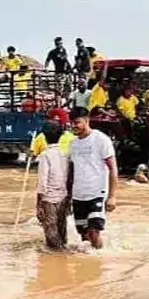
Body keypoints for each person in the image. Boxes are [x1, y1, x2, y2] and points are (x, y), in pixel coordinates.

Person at [67, 106, 117, 249]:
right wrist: (68, 193)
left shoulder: (101, 139)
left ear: (87, 121)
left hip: (97, 192)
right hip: (78, 194)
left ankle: (100, 261)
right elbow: (71, 170)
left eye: (77, 122)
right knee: (84, 236)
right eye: (72, 123)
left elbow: (113, 168)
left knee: (94, 232)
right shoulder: (73, 144)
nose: (73, 126)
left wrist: (112, 196)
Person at [35, 118, 72, 250]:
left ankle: (60, 258)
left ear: (44, 137)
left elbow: (42, 182)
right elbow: (69, 178)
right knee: (62, 232)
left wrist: (38, 204)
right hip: (64, 196)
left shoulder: (45, 156)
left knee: (51, 235)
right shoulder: (65, 154)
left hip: (49, 199)